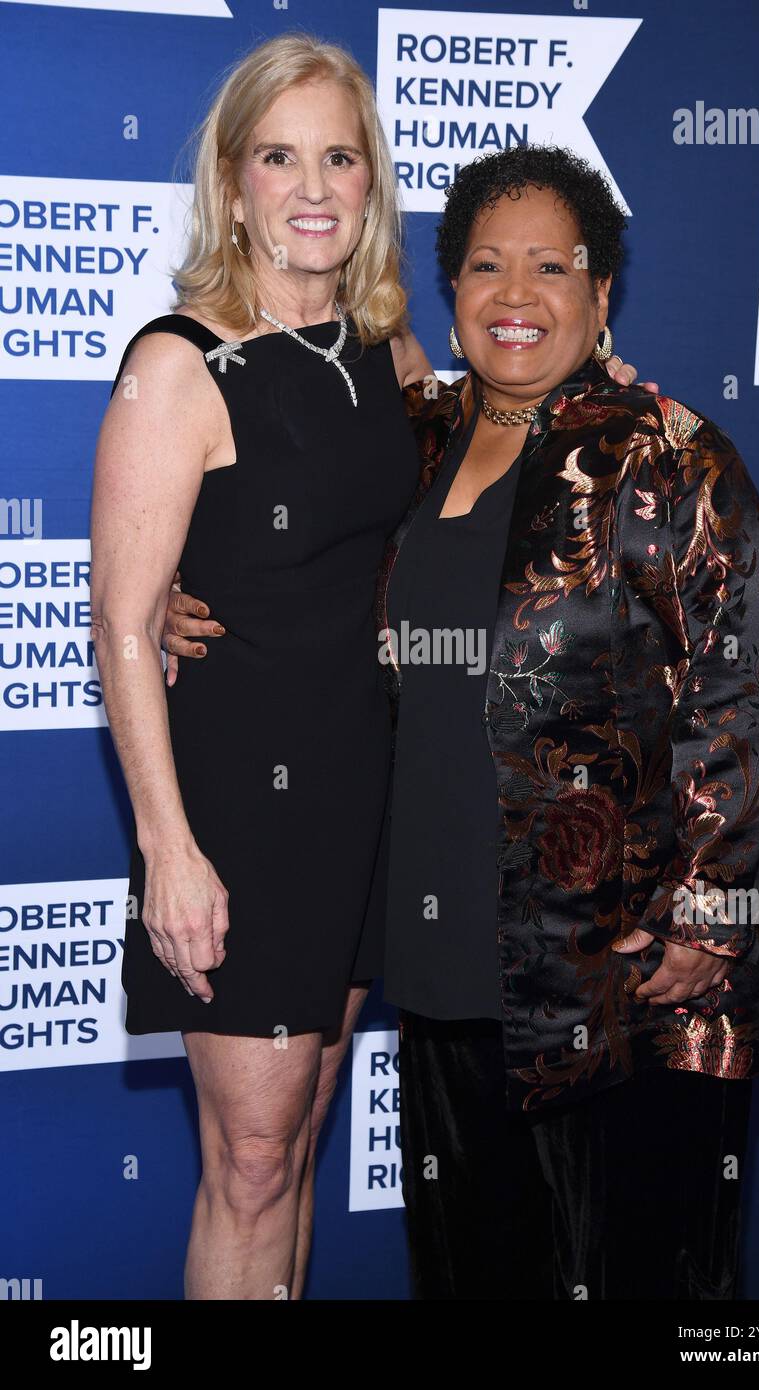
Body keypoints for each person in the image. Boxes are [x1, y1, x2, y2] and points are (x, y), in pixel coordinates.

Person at [91, 34, 640, 1302]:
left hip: (365, 804)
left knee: (299, 1138)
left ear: (372, 176)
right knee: (254, 1156)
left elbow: (508, 432)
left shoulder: (391, 364)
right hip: (236, 812)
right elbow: (120, 627)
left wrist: (612, 389)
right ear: (234, 183)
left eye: (340, 153)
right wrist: (168, 851)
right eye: (279, 156)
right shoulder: (179, 365)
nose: (313, 184)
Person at [378, 146, 759, 1300]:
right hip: (445, 966)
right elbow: (306, 579)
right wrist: (177, 602)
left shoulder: (667, 457)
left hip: (619, 979)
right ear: (451, 291)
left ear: (600, 291)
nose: (513, 296)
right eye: (483, 266)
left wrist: (707, 917)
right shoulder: (413, 442)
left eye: (549, 267)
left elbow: (753, 683)